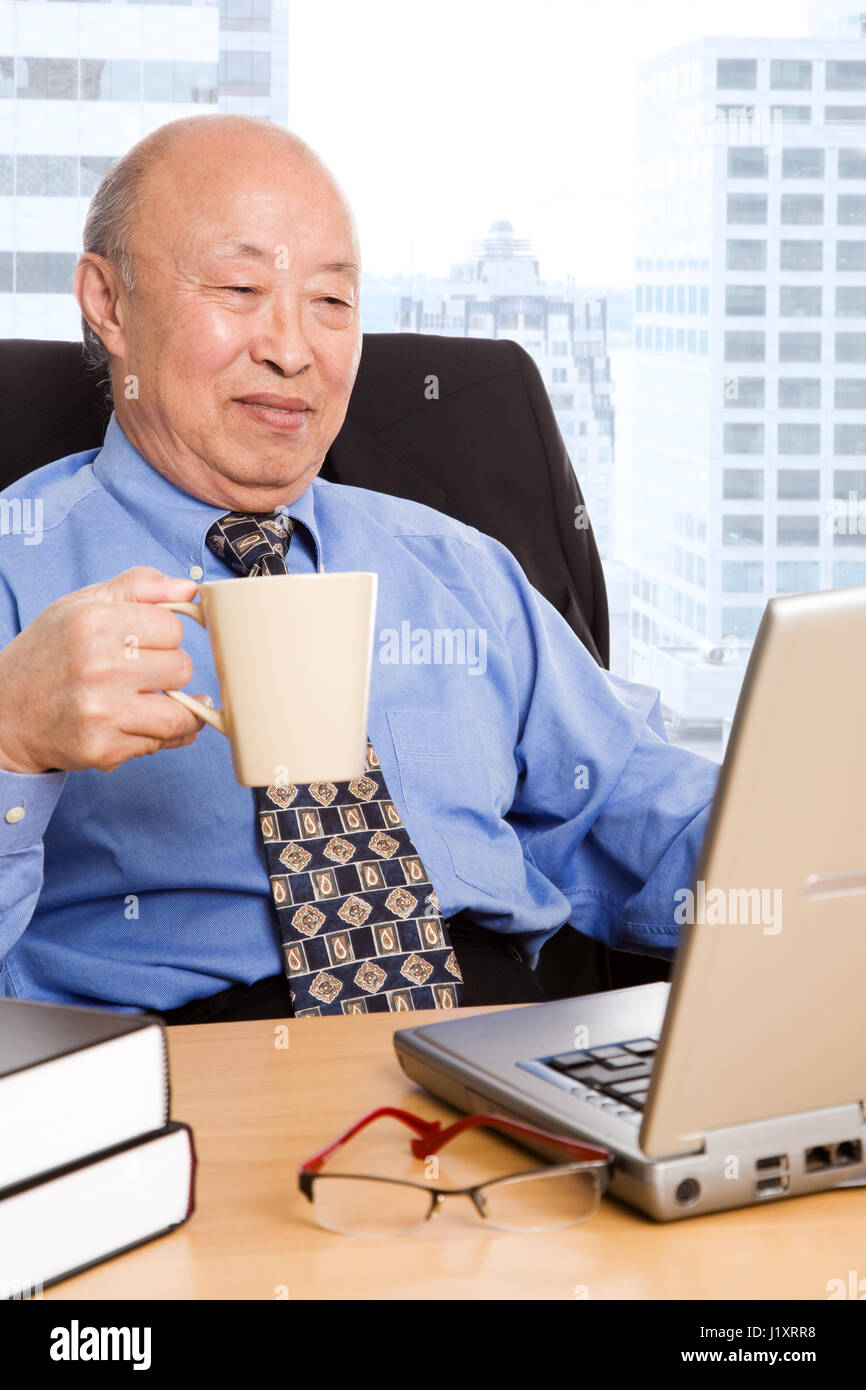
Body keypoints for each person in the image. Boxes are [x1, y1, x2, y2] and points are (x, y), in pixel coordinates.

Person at [0, 115, 720, 1021]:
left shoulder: (458, 566)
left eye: (333, 303)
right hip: (187, 1068)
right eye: (239, 286)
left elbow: (640, 810)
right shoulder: (17, 564)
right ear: (107, 302)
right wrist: (10, 741)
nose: (293, 349)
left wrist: (802, 850)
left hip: (495, 1040)